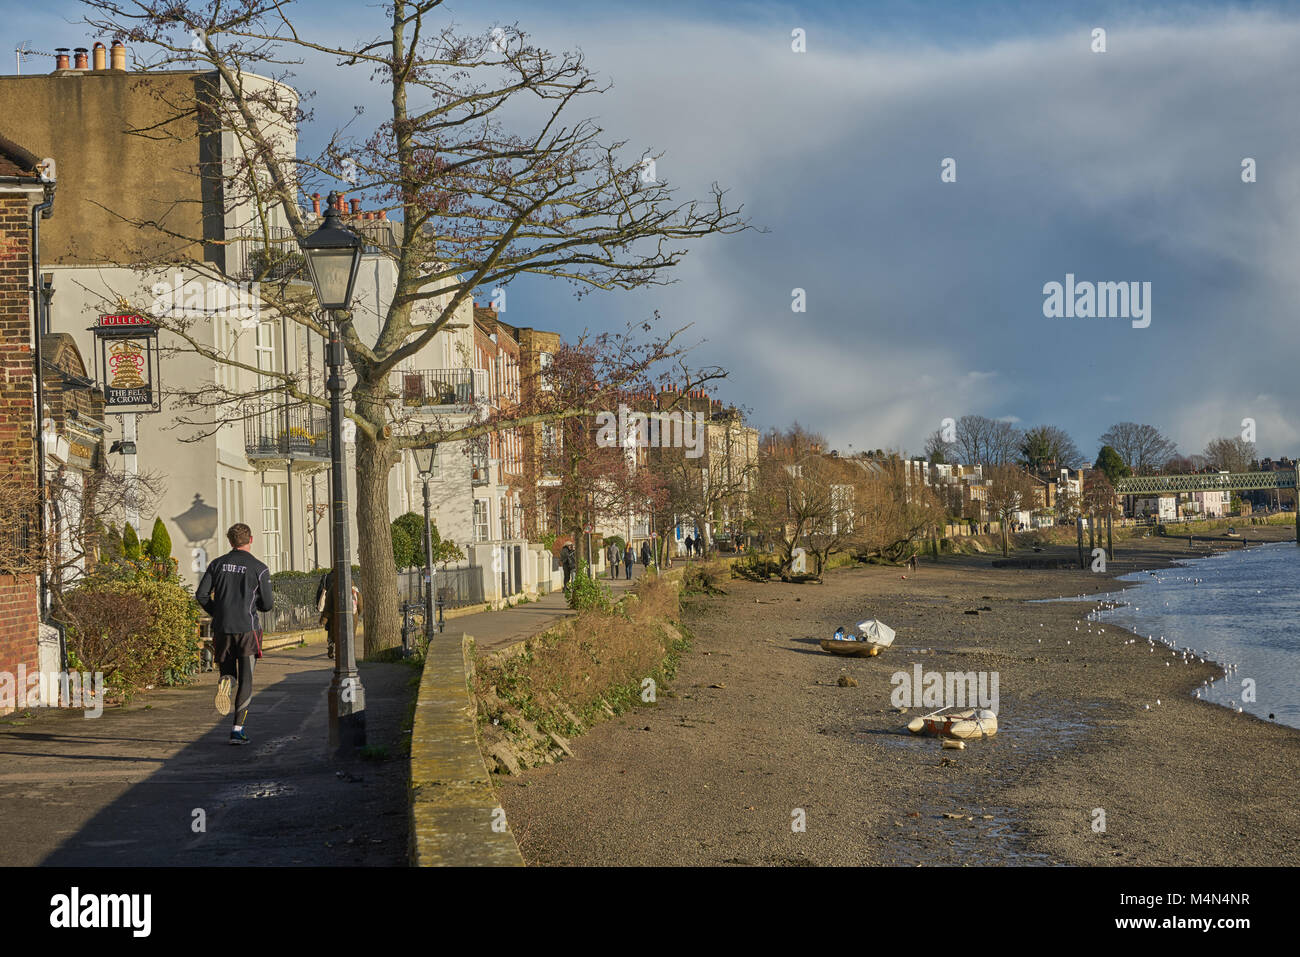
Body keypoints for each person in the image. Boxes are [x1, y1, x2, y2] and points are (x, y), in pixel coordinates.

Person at [196, 523, 272, 746]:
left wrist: (217, 612)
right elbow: (267, 605)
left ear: (230, 541)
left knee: (229, 669)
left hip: (222, 629)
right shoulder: (259, 568)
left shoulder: (217, 564)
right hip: (248, 629)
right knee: (247, 679)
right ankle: (237, 730)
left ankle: (226, 679)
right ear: (251, 539)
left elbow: (201, 595)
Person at [316, 568, 363, 660]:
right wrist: (358, 613)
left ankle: (332, 646)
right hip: (353, 617)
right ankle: (350, 654)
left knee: (334, 633)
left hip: (336, 615)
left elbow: (328, 606)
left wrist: (324, 619)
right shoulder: (354, 589)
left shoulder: (332, 586)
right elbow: (360, 603)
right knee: (350, 635)